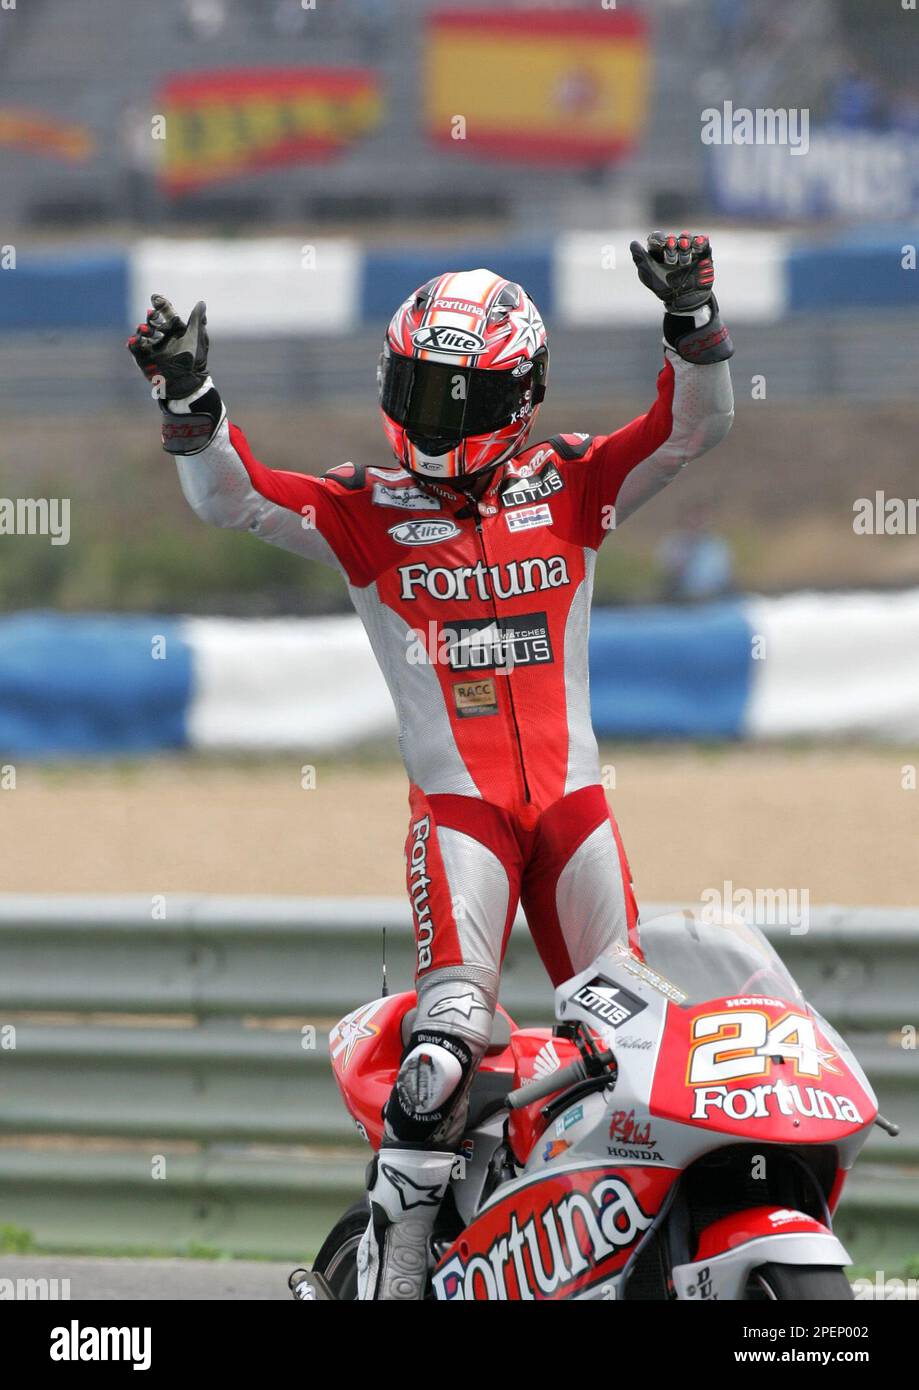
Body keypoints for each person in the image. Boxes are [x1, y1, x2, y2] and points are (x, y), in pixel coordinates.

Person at [128, 230, 734, 1300]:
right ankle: (397, 1276)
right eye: (414, 387)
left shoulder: (576, 481)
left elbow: (695, 428)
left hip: (577, 818)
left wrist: (691, 318)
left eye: (454, 397)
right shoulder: (368, 509)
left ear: (518, 399)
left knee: (644, 1044)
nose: (428, 418)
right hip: (461, 826)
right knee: (440, 1056)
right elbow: (237, 498)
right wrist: (192, 395)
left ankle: (625, 1253)